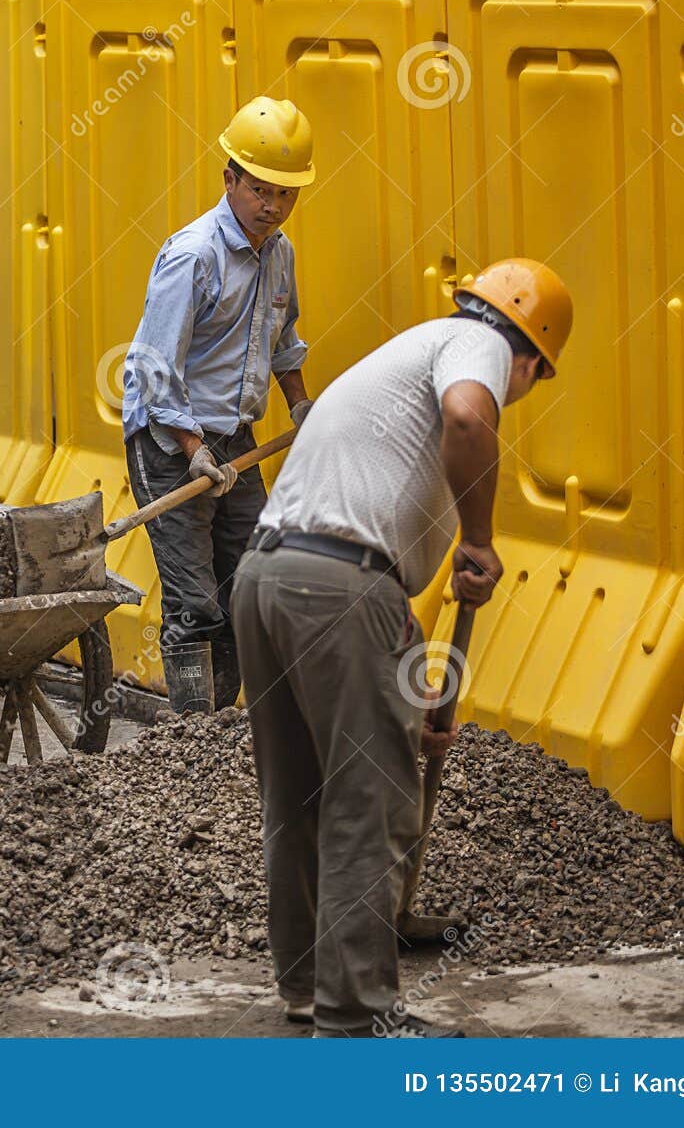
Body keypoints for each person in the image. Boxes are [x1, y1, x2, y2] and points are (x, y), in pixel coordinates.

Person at [232, 258, 572, 1036]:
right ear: (530, 354)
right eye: (536, 379)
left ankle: (309, 988)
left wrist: (407, 706)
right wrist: (480, 538)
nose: (520, 393)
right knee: (368, 799)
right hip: (338, 584)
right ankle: (357, 1015)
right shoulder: (477, 343)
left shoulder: (406, 351)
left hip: (267, 577)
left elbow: (379, 575)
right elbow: (464, 419)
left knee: (299, 796)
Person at [122, 97, 317, 713]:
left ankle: (221, 731)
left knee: (249, 588)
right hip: (168, 440)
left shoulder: (278, 253)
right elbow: (154, 369)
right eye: (261, 190)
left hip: (234, 441)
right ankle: (190, 745)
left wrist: (301, 404)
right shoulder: (194, 256)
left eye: (286, 195)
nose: (274, 206)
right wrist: (192, 450)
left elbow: (282, 340)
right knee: (196, 604)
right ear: (229, 178)